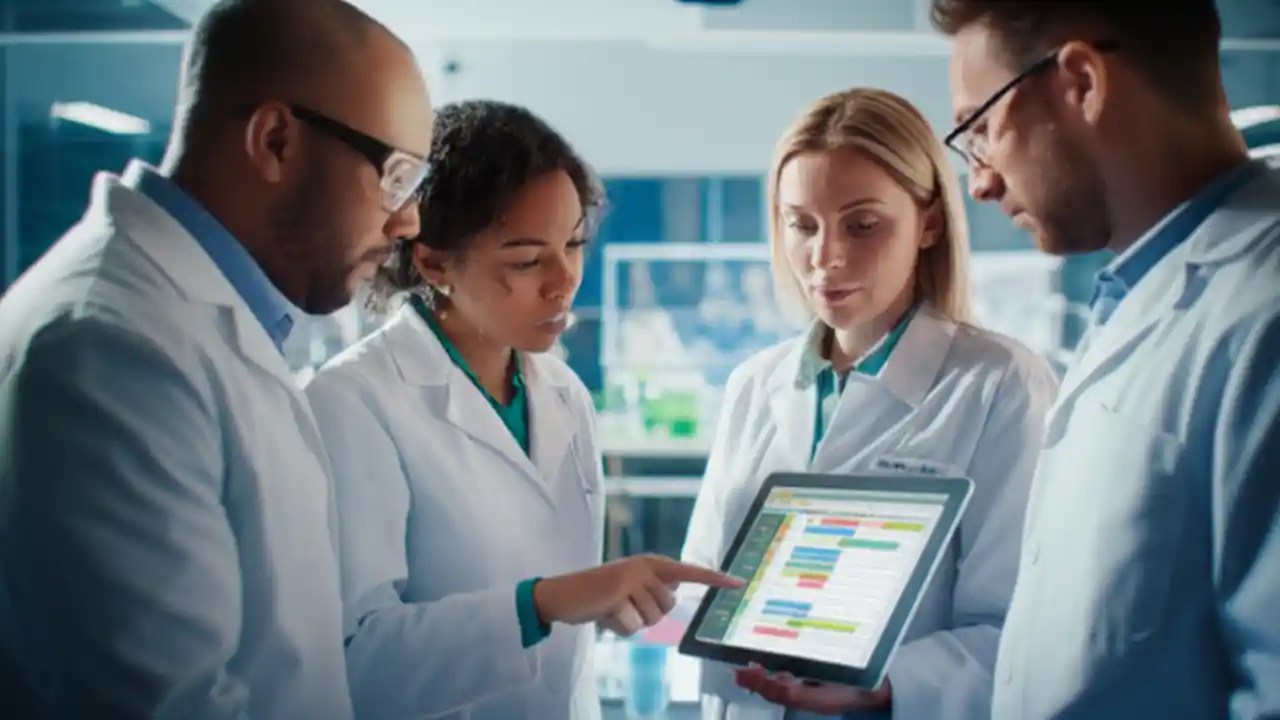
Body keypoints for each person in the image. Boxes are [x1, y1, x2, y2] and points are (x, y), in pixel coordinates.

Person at [0, 0, 432, 717]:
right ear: (273, 141)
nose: (409, 221)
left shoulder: (202, 320)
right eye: (394, 177)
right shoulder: (108, 352)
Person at [304, 99, 741, 720]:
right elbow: (354, 664)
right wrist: (544, 604)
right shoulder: (354, 401)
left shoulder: (562, 393)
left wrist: (604, 605)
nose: (564, 281)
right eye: (526, 260)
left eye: (574, 244)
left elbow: (566, 624)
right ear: (431, 261)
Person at [933, 1, 1280, 717]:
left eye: (983, 132)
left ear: (1083, 83)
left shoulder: (1262, 313)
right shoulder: (1137, 292)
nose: (981, 182)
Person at [681, 87, 1059, 720]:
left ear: (930, 222)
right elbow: (701, 586)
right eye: (801, 224)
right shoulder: (755, 383)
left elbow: (1019, 629)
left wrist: (884, 682)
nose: (824, 258)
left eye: (862, 224)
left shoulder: (999, 384)